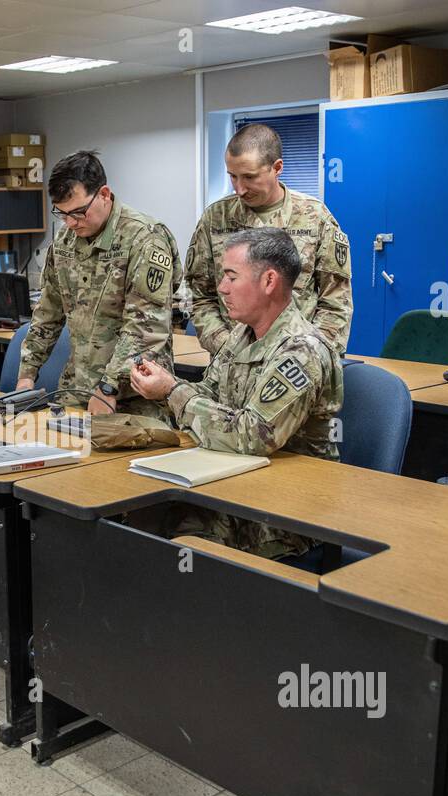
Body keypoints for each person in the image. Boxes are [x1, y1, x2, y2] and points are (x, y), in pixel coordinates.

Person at [132, 228, 342, 562]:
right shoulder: (243, 334)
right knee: (136, 517)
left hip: (279, 517)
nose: (221, 288)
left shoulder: (301, 351)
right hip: (230, 484)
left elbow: (252, 434)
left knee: (168, 538)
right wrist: (165, 386)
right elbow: (209, 395)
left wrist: (173, 392)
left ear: (269, 281)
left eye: (232, 277)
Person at [16, 150, 179, 420]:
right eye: (62, 213)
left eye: (78, 212)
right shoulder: (65, 241)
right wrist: (26, 376)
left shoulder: (145, 239)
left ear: (104, 194)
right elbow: (48, 313)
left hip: (135, 394)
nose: (70, 222)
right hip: (79, 388)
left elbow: (144, 327)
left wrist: (108, 386)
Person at [186, 123, 352, 357]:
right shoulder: (215, 219)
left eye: (249, 177)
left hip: (298, 361)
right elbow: (200, 297)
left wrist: (311, 355)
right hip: (230, 362)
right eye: (233, 177)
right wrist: (228, 346)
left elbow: (335, 303)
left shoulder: (315, 218)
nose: (240, 189)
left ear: (277, 167)